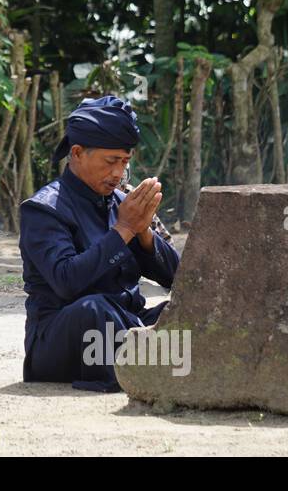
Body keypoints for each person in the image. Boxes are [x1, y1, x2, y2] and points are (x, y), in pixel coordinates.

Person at [18, 95, 180, 391]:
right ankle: (145, 367)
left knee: (184, 313)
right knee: (95, 309)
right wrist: (124, 229)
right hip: (63, 338)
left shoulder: (123, 203)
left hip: (127, 324)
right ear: (77, 153)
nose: (118, 173)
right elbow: (67, 281)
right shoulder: (43, 209)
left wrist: (143, 233)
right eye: (111, 161)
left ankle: (152, 363)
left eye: (125, 162)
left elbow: (178, 278)